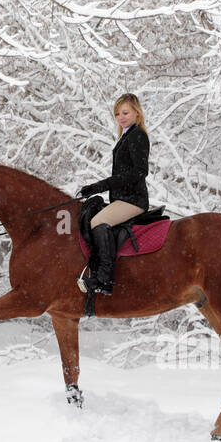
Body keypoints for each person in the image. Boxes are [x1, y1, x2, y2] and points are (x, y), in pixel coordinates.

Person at [77, 93, 150, 295]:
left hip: (134, 200)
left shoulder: (137, 135)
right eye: (117, 114)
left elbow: (139, 172)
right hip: (122, 198)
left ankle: (104, 279)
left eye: (125, 112)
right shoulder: (127, 136)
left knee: (98, 223)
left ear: (137, 112)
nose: (121, 117)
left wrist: (101, 185)